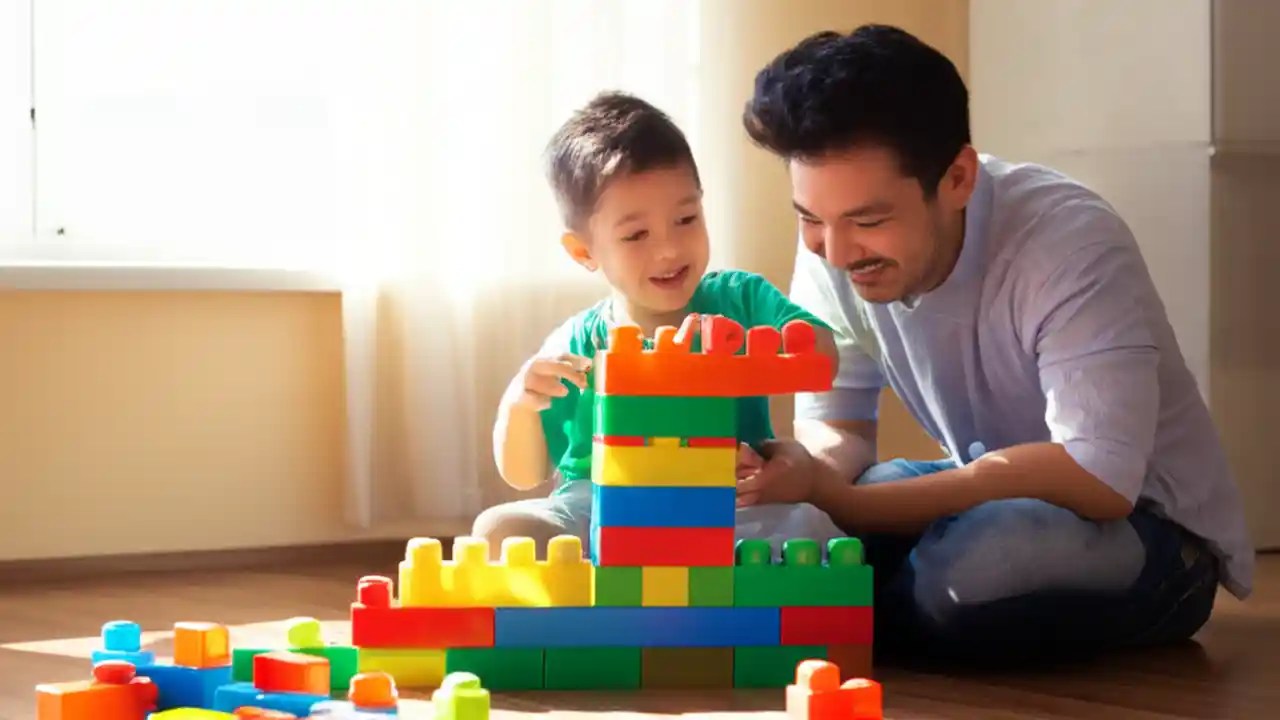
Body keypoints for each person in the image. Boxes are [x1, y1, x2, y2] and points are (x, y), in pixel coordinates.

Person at [735, 24, 1254, 667]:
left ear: (957, 178)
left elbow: (1099, 477)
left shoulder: (1069, 241)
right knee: (839, 514)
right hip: (989, 493)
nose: (837, 253)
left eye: (869, 221)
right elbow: (838, 429)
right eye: (810, 219)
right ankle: (838, 609)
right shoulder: (832, 247)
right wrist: (804, 479)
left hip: (1148, 528)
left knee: (977, 565)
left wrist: (847, 502)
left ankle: (826, 621)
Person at [471, 90, 844, 558]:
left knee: (817, 530)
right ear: (584, 251)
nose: (669, 250)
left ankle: (699, 601)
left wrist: (746, 361)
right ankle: (609, 609)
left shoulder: (742, 299)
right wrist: (519, 404)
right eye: (636, 234)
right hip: (599, 503)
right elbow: (524, 474)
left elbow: (822, 357)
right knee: (500, 529)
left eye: (686, 218)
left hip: (725, 502)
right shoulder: (579, 342)